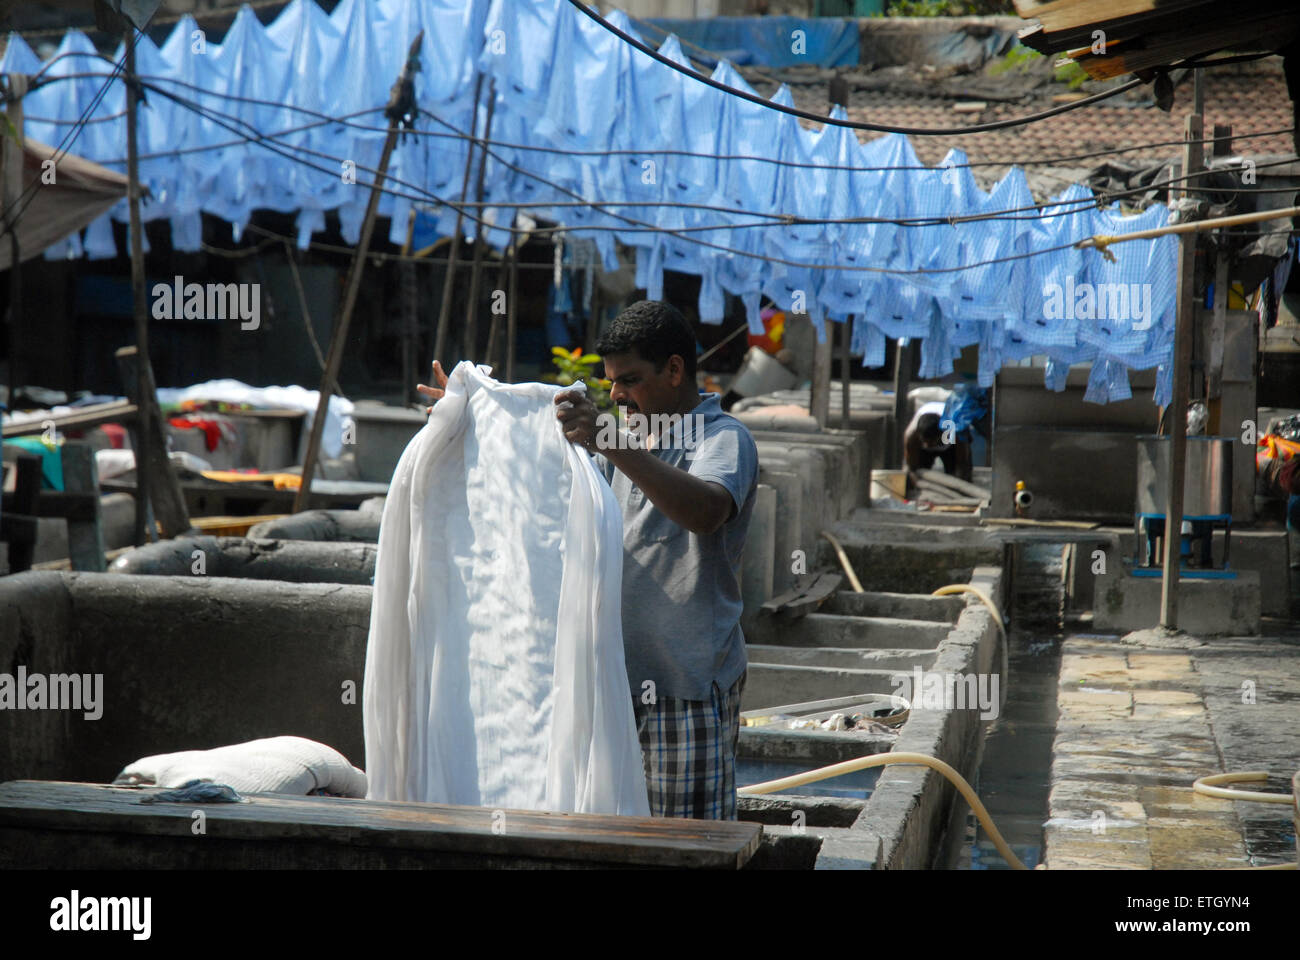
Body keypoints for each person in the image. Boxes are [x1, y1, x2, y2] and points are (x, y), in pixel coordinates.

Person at [418, 300, 759, 820]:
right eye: (612, 382)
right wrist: (468, 420)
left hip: (683, 687)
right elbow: (532, 474)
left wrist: (608, 438)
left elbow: (707, 510)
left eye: (631, 380)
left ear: (674, 369)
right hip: (611, 683)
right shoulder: (627, 441)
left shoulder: (721, 438)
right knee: (616, 837)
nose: (617, 394)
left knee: (684, 844)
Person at [903, 400, 972, 490]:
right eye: (924, 442)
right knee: (919, 474)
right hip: (925, 440)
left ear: (941, 434)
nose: (927, 446)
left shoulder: (955, 430)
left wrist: (959, 482)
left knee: (958, 476)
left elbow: (962, 462)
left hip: (952, 444)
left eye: (931, 442)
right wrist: (916, 482)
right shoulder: (912, 436)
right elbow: (912, 467)